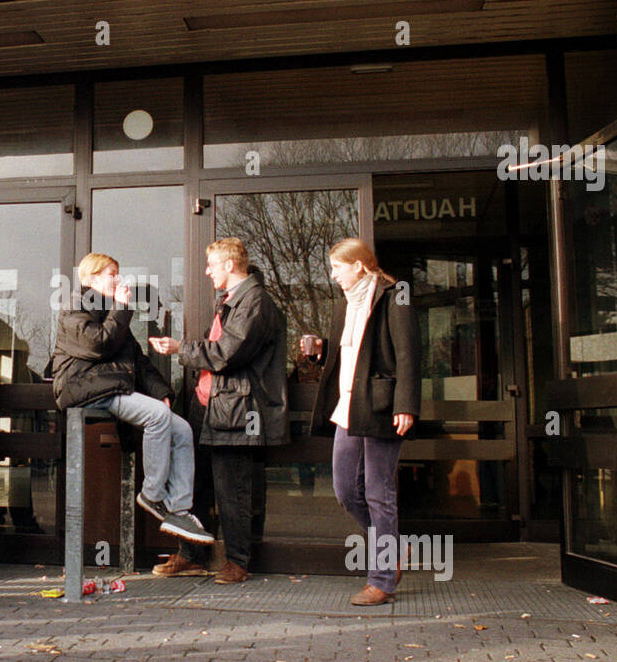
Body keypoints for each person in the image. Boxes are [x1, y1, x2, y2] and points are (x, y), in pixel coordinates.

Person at [149, 237, 287, 584]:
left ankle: (237, 562)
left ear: (229, 265)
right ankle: (192, 555)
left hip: (235, 411)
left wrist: (182, 348)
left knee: (232, 489)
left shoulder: (254, 301)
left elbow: (227, 352)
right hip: (209, 406)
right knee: (194, 484)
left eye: (211, 264)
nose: (207, 271)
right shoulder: (235, 300)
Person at [50, 254, 211, 545]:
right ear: (91, 278)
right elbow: (98, 345)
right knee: (157, 417)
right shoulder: (74, 306)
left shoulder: (113, 314)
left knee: (182, 429)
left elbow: (137, 362)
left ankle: (179, 509)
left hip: (108, 388)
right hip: (82, 388)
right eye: (112, 274)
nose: (118, 280)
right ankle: (152, 495)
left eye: (118, 274)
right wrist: (122, 308)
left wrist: (161, 392)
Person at [305, 237, 420, 606]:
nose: (333, 275)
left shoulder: (394, 293)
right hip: (348, 409)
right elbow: (350, 358)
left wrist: (406, 404)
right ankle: (392, 549)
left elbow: (407, 353)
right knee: (344, 489)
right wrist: (322, 351)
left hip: (383, 406)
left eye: (337, 268)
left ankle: (382, 580)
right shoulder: (345, 305)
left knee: (377, 492)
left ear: (358, 265)